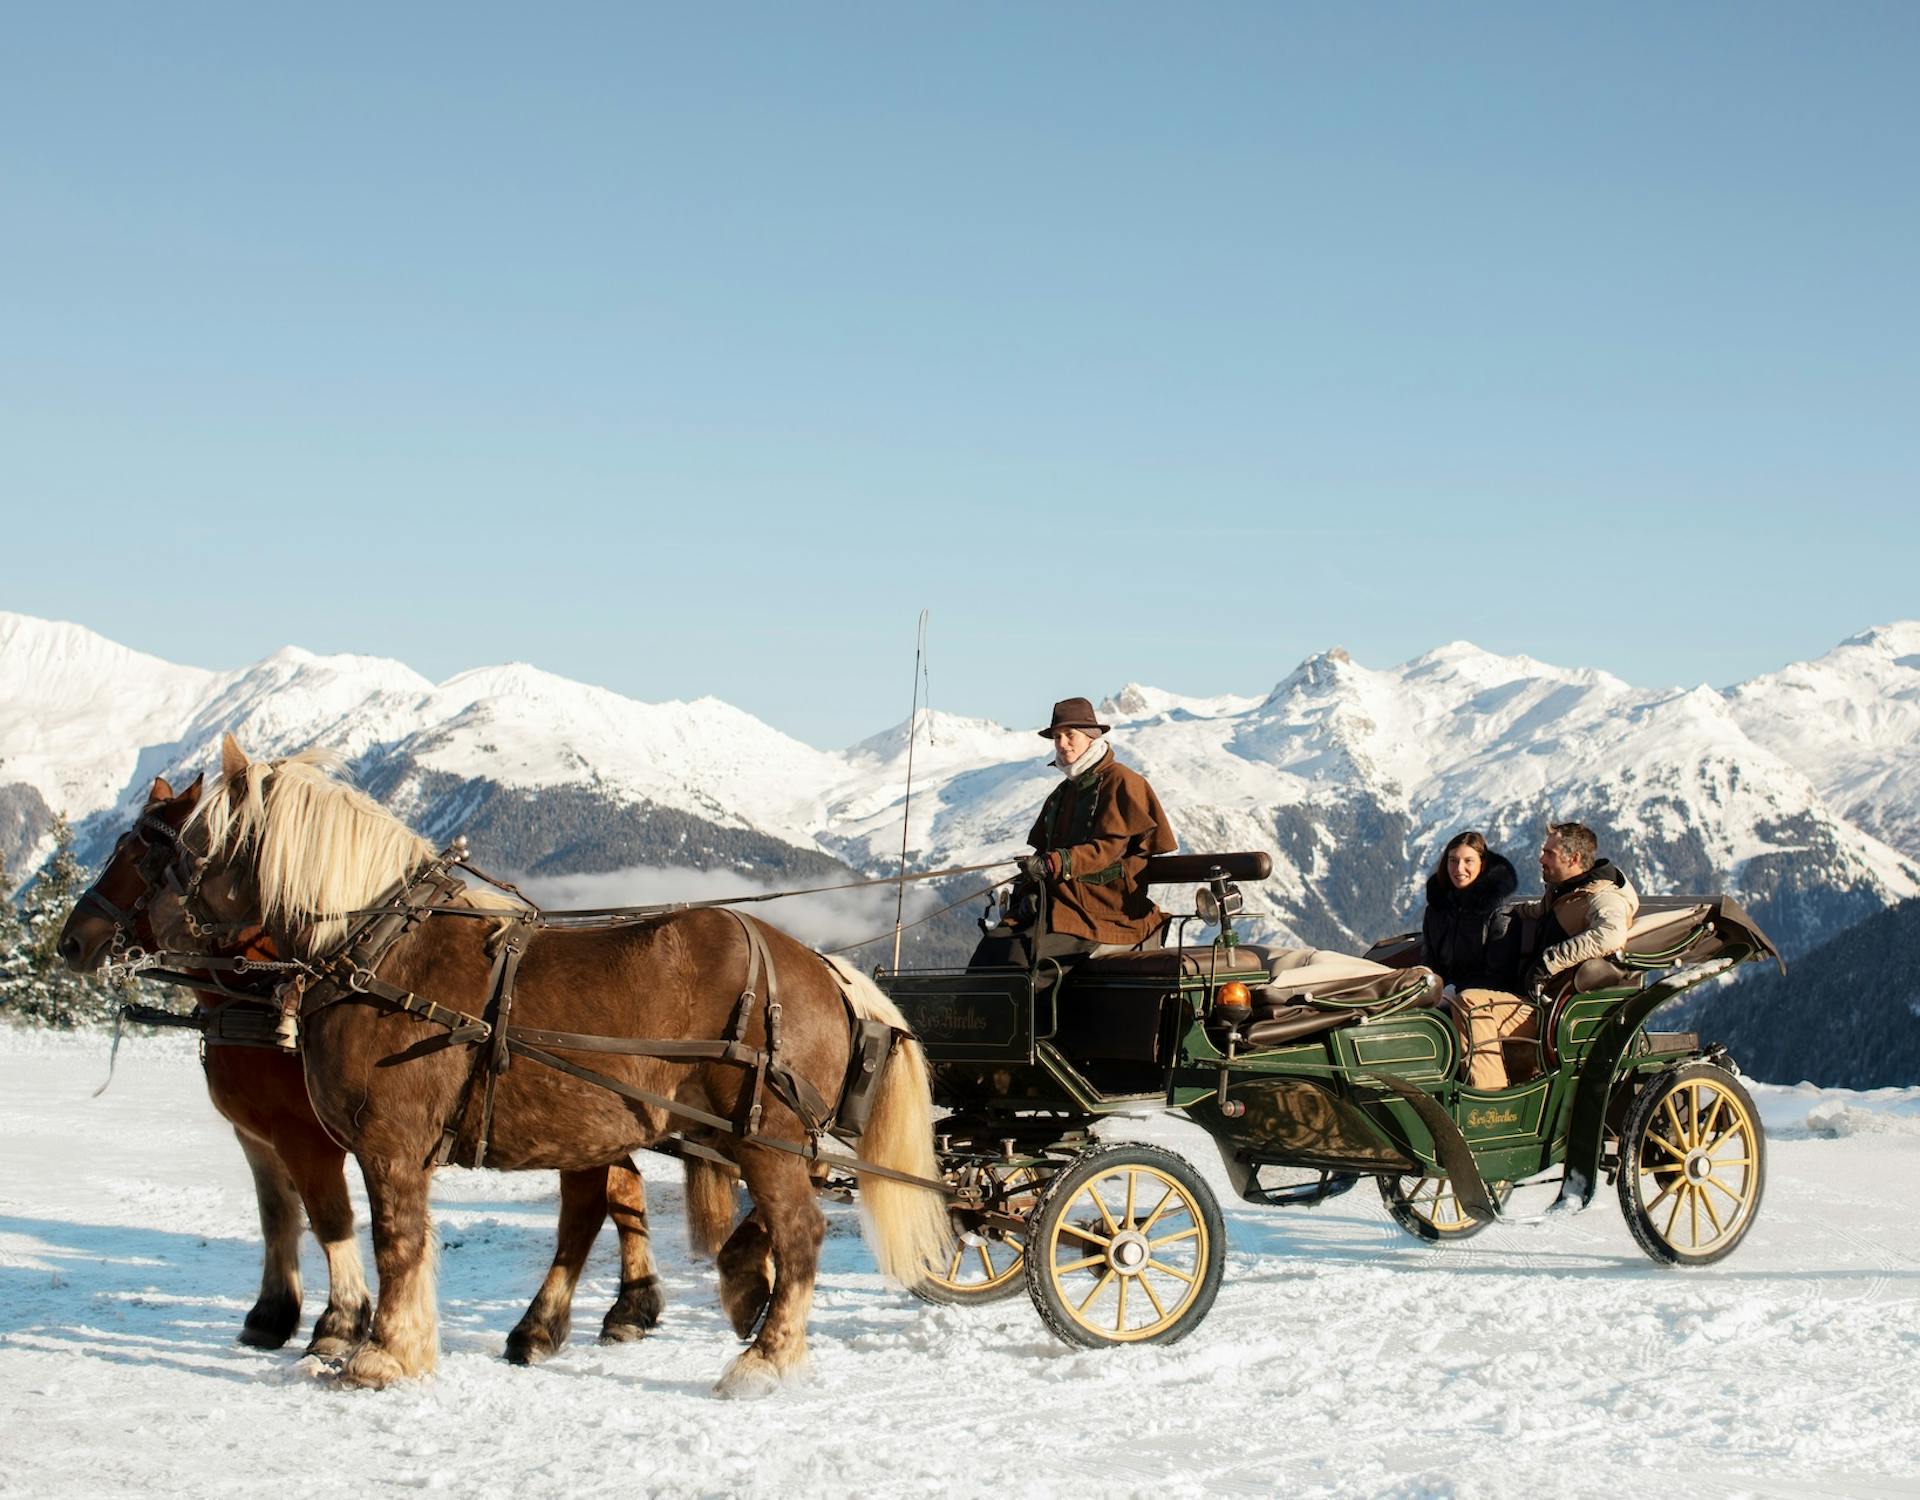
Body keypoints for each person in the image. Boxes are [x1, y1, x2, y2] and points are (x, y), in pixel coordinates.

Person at [969, 696, 1177, 971]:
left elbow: (1108, 849)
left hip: (1106, 909)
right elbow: (1045, 850)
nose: (1061, 743)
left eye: (1069, 735)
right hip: (1066, 903)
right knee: (991, 949)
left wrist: (1055, 863)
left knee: (1023, 962)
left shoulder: (1123, 783)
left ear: (1091, 737)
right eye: (1056, 737)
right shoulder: (1063, 792)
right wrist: (1033, 871)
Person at [1451, 822, 1640, 1090]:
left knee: (1470, 1004)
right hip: (1539, 998)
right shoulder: (1568, 888)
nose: (1541, 858)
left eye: (1549, 853)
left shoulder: (1603, 897)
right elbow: (1541, 911)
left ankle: (1490, 1102)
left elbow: (1610, 936)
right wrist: (1507, 912)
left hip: (1554, 1012)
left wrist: (1549, 961)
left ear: (1573, 859)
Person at [1419, 831, 1519, 991]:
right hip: (1440, 992)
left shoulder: (1499, 911)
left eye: (1468, 861)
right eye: (1453, 861)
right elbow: (1429, 960)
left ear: (1483, 864)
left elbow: (1500, 973)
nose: (1459, 868)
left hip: (1482, 997)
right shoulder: (1437, 908)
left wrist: (1456, 991)